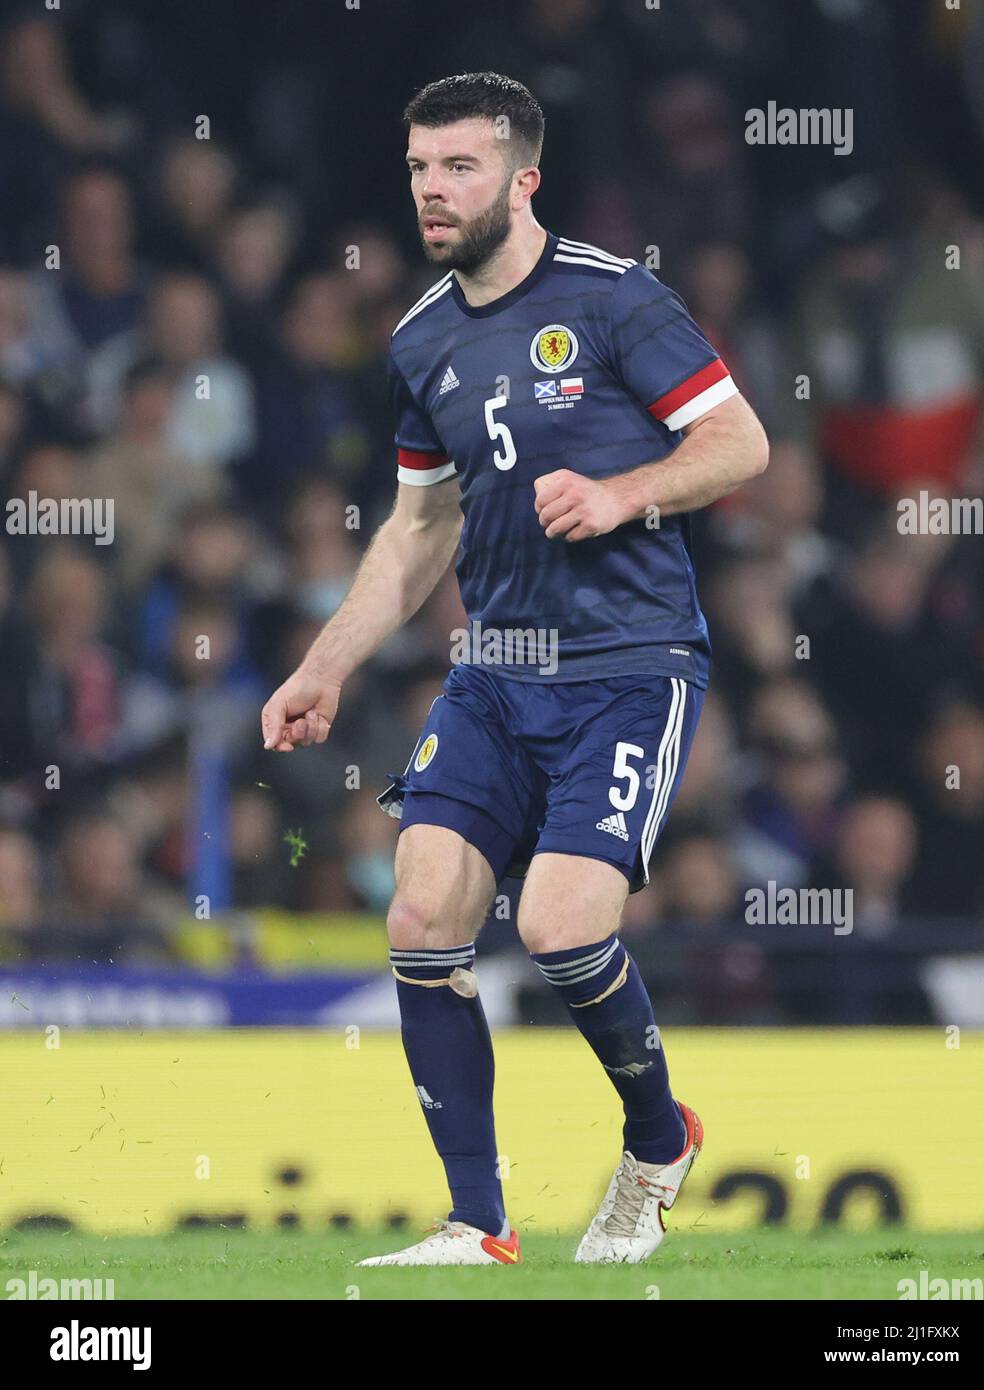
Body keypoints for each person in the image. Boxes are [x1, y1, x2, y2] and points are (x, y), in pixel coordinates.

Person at [261, 72, 767, 1267]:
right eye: (421, 169)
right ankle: (477, 1219)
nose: (433, 191)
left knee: (553, 923)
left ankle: (657, 1139)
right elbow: (418, 530)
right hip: (495, 670)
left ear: (522, 178)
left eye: (461, 168)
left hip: (630, 664)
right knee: (423, 911)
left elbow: (737, 440)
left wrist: (621, 491)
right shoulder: (420, 333)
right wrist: (324, 665)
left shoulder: (614, 299)